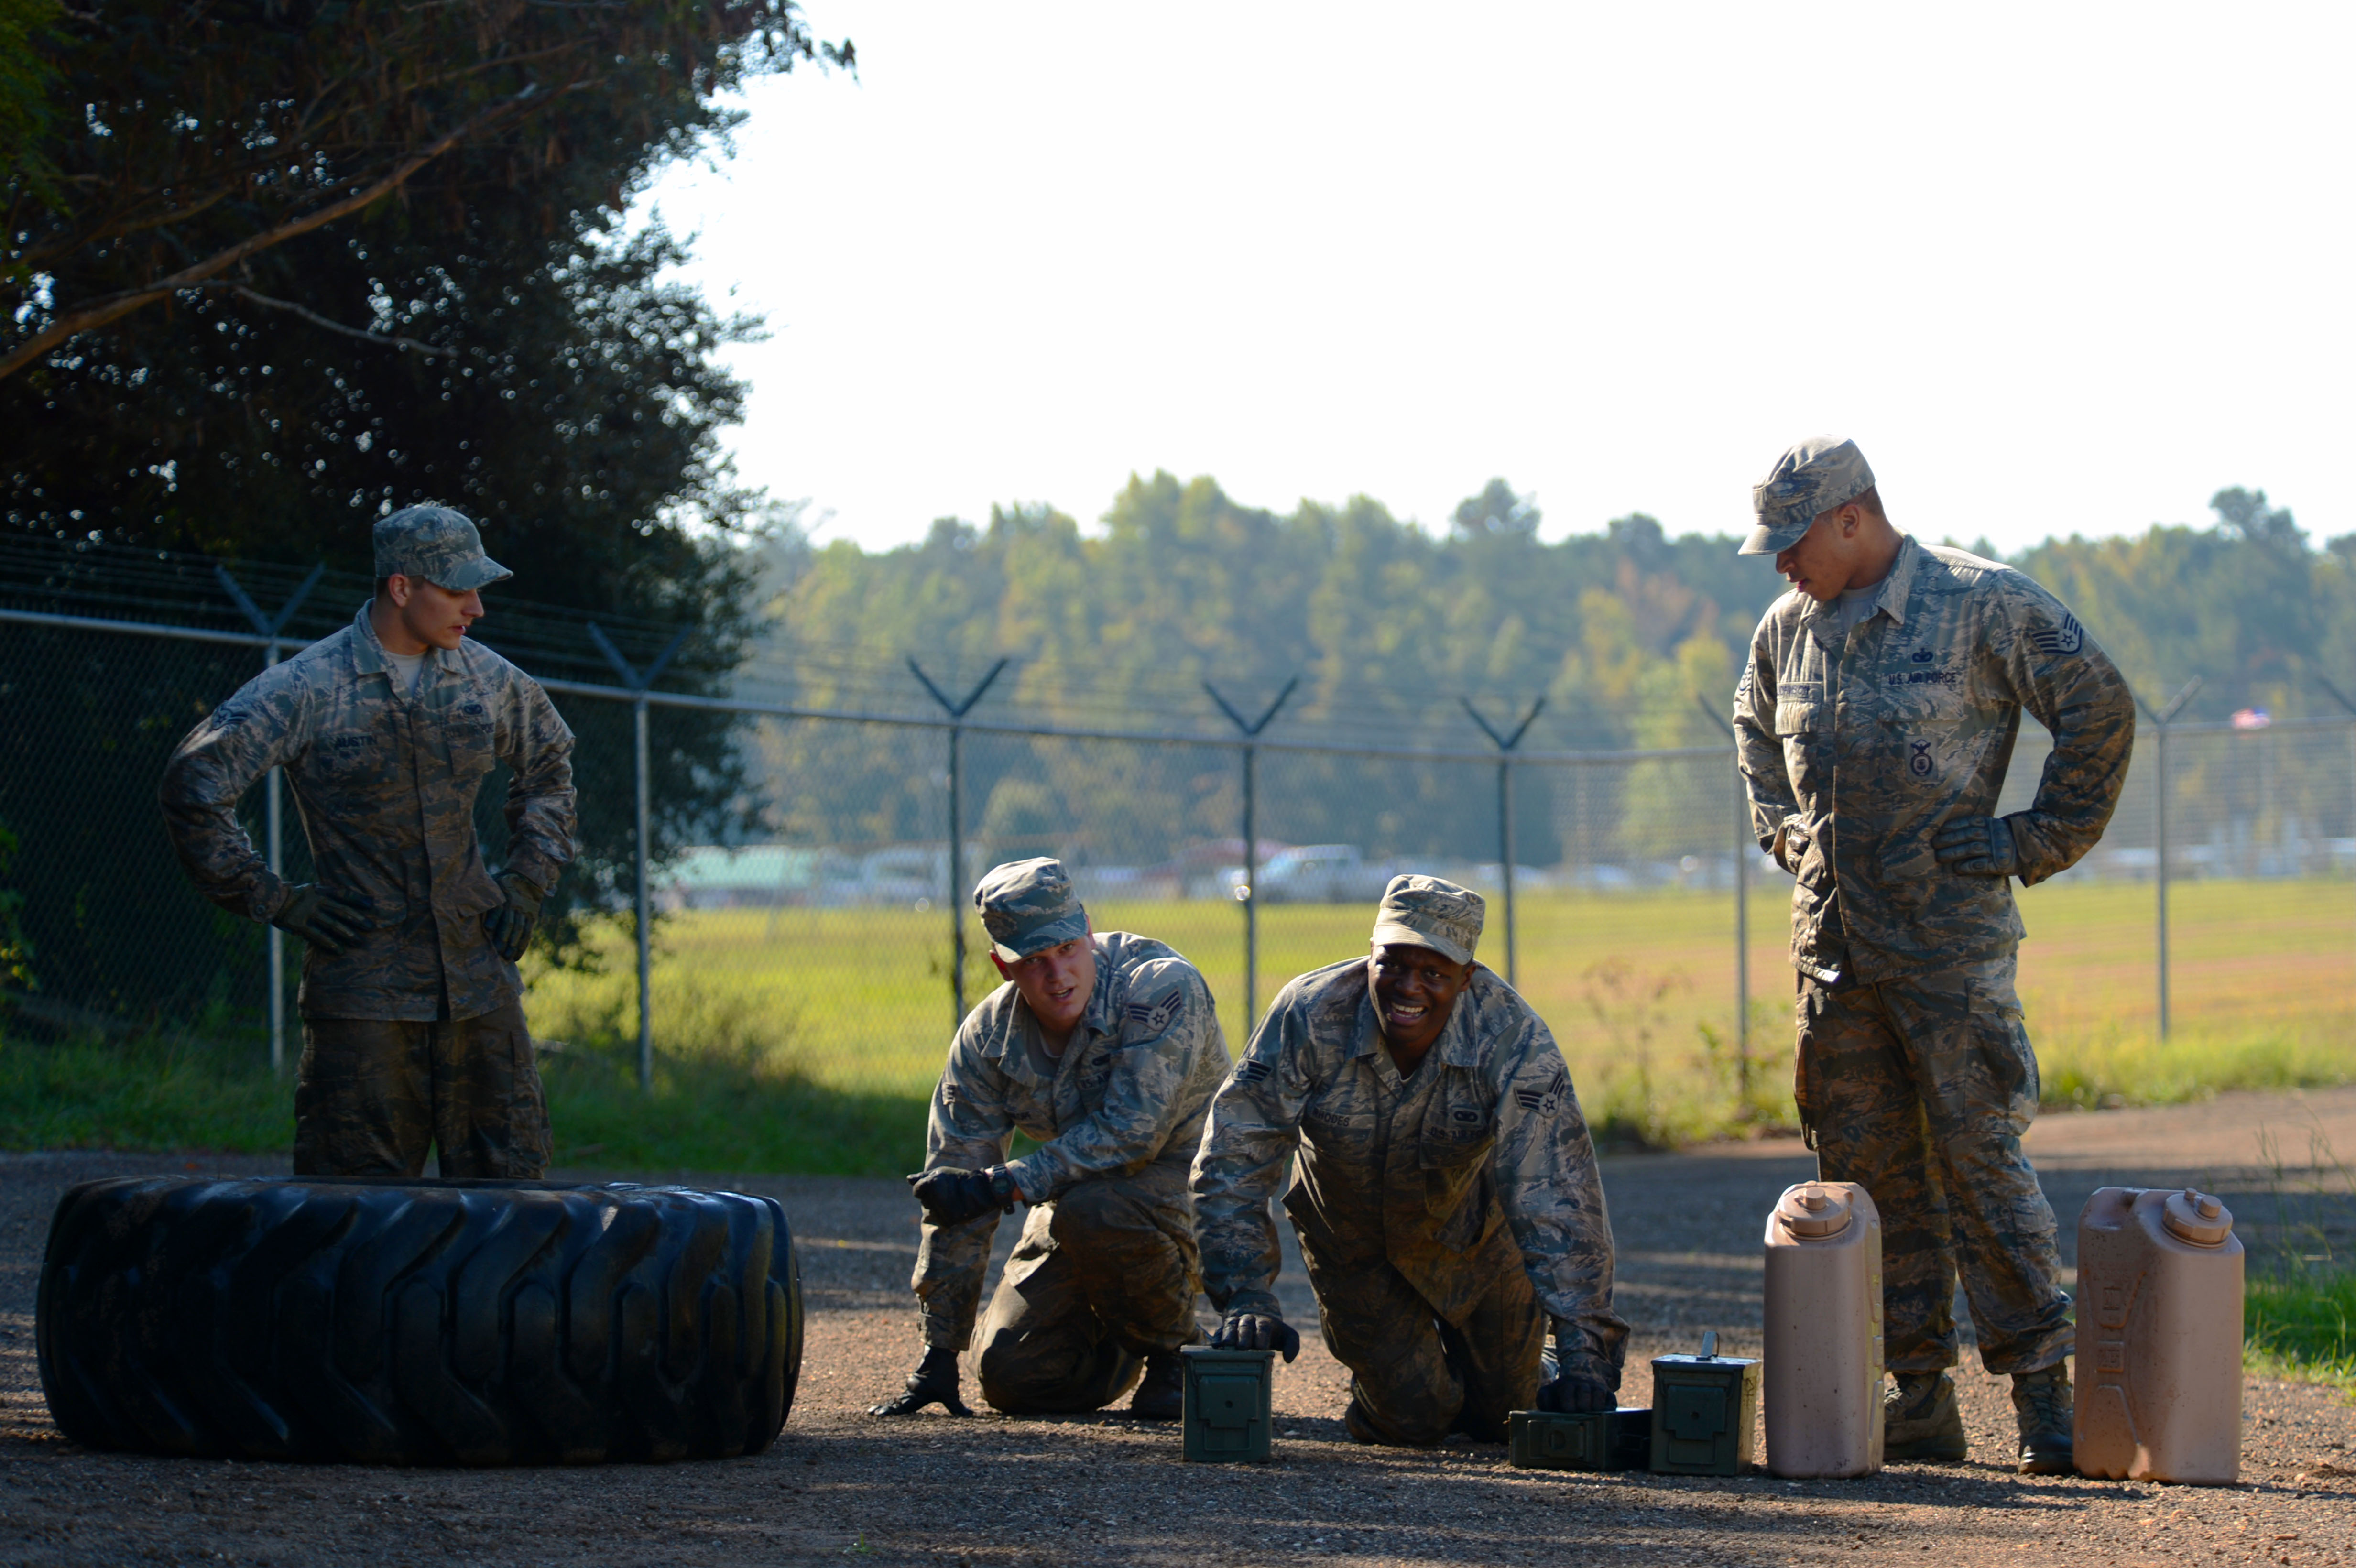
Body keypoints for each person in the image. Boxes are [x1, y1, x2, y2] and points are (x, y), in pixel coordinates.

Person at [1731, 435, 2136, 1474]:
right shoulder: (1788, 630)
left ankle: (2043, 1394)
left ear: (1853, 515)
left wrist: (2029, 839)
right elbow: (1750, 731)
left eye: (1794, 540)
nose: (1782, 563)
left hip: (1947, 955)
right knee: (1864, 1179)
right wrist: (1782, 831)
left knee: (1981, 1162)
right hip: (1835, 958)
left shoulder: (1982, 603)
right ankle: (1917, 1395)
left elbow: (2097, 706)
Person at [159, 504, 577, 1178]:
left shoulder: (488, 680)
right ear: (402, 587)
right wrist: (273, 898)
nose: (476, 608)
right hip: (363, 996)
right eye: (457, 589)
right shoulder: (308, 687)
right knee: (357, 1209)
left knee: (513, 1202)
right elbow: (194, 784)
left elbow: (551, 767)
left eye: (478, 589)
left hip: (479, 982)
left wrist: (528, 879)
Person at [1191, 875, 1627, 1448]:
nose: (1407, 987)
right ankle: (1393, 1383)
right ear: (1370, 951)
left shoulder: (1514, 1040)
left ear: (1466, 979)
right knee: (1412, 1419)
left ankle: (1532, 1366)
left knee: (1507, 1416)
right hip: (1354, 1246)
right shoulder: (1309, 1014)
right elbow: (1234, 1153)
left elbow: (1557, 1192)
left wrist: (1583, 1356)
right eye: (1393, 964)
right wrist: (1244, 1291)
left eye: (1433, 974)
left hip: (1473, 1239)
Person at [873, 857, 1229, 1422]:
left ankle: (1179, 1355)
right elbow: (957, 1189)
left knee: (1091, 1210)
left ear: (1087, 930)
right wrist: (938, 1350)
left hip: (1188, 1189)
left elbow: (1132, 1133)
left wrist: (1005, 1184)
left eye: (1067, 949)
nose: (1057, 975)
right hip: (1076, 1200)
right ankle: (1124, 1330)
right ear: (1001, 966)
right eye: (1033, 961)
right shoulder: (986, 1042)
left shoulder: (1159, 987)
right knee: (1015, 1378)